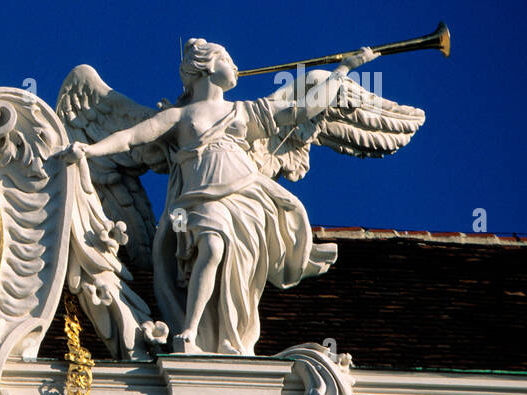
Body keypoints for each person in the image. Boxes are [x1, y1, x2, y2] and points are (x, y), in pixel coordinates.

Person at [61, 38, 377, 354]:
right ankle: (191, 331)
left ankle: (230, 338)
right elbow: (131, 137)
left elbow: (302, 110)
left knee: (239, 269)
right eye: (227, 59)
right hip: (200, 197)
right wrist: (90, 149)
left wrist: (343, 70)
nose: (236, 66)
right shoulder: (180, 116)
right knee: (210, 248)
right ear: (209, 66)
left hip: (246, 196)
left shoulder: (245, 111)